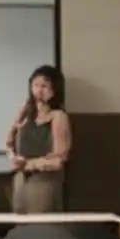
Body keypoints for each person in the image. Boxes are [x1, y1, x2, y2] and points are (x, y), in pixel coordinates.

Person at [5, 65, 71, 213]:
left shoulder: (58, 116)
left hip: (45, 178)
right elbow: (9, 141)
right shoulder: (25, 111)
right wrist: (13, 157)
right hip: (21, 176)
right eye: (35, 85)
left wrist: (32, 164)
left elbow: (59, 159)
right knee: (19, 218)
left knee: (40, 221)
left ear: (54, 89)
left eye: (44, 86)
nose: (39, 91)